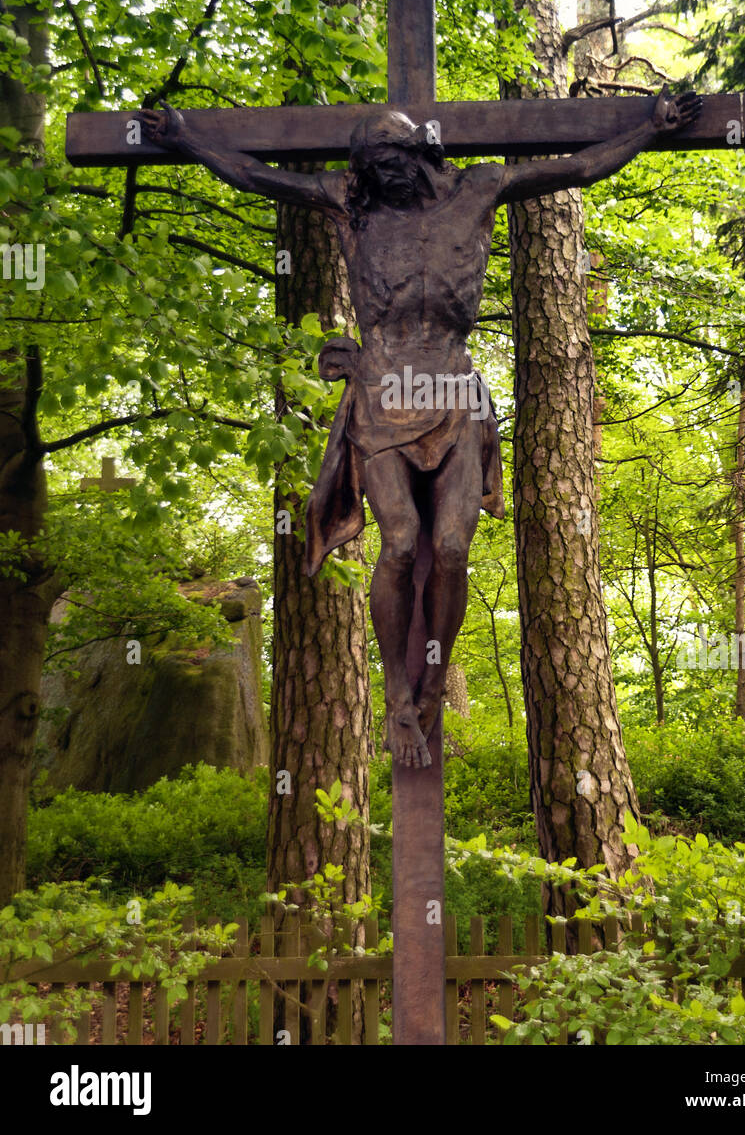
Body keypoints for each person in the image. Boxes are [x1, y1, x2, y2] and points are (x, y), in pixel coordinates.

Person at [140, 85, 701, 767]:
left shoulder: (479, 190)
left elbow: (577, 169)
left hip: (452, 390)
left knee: (453, 549)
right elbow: (261, 177)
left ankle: (432, 689)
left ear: (420, 152)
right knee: (401, 544)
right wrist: (184, 137)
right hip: (381, 393)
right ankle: (397, 695)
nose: (386, 175)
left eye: (394, 160)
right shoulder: (352, 207)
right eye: (373, 166)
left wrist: (648, 128)